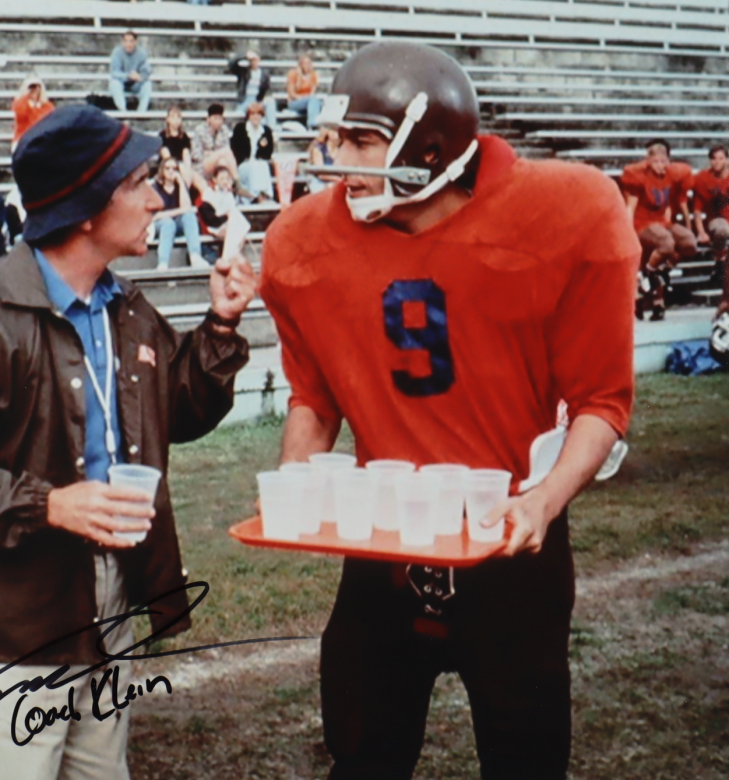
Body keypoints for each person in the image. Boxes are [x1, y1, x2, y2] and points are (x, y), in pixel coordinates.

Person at [260, 41, 639, 780]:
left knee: (525, 762)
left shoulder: (561, 211)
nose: (337, 159)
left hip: (510, 546)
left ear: (429, 151)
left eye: (361, 141)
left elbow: (601, 403)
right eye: (336, 137)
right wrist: (293, 486)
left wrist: (544, 500)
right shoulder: (303, 238)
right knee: (361, 756)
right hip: (384, 544)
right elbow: (316, 396)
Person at [0, 103, 255, 779]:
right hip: (4, 624)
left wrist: (221, 326)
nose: (157, 199)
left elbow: (174, 410)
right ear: (87, 207)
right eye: (139, 183)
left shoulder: (124, 307)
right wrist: (49, 505)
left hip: (105, 598)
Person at [621, 138, 696, 321]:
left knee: (689, 242)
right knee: (666, 243)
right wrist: (627, 232)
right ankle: (650, 277)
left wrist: (680, 222)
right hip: (642, 223)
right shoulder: (639, 176)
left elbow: (671, 200)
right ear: (648, 162)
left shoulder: (673, 174)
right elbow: (630, 206)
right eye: (655, 162)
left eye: (663, 161)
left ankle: (658, 273)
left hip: (661, 222)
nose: (660, 165)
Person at [153, 156, 205, 269]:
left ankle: (195, 256)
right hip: (160, 224)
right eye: (167, 168)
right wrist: (178, 211)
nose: (171, 171)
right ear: (162, 170)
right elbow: (155, 215)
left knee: (189, 216)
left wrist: (181, 182)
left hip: (177, 223)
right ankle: (163, 262)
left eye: (174, 168)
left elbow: (186, 208)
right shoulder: (155, 187)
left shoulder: (179, 185)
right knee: (168, 223)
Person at [692, 145, 729, 272]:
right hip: (717, 219)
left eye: (721, 158)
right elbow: (697, 209)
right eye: (714, 158)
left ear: (727, 160)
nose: (717, 162)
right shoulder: (703, 178)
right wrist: (701, 232)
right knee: (722, 230)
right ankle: (719, 261)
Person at [230, 101, 275, 203]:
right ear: (248, 116)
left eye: (258, 114)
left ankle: (264, 195)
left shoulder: (266, 131)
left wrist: (261, 147)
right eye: (253, 114)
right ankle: (256, 196)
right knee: (254, 166)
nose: (255, 117)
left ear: (262, 116)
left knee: (262, 165)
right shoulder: (240, 129)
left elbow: (268, 153)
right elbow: (235, 150)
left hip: (259, 165)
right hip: (243, 166)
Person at [197, 165, 240, 263]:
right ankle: (227, 259)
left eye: (227, 178)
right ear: (215, 180)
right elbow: (210, 219)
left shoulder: (229, 194)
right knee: (230, 231)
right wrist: (226, 217)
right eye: (222, 179)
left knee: (239, 229)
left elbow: (232, 211)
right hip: (213, 225)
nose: (225, 181)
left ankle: (233, 257)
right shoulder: (208, 194)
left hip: (227, 223)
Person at [228, 49, 276, 129]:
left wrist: (261, 101)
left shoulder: (264, 74)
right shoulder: (243, 72)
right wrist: (244, 55)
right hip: (245, 101)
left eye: (256, 60)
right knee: (238, 117)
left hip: (258, 100)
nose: (254, 62)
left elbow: (268, 90)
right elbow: (231, 64)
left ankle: (272, 128)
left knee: (270, 101)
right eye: (252, 60)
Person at [191, 103, 237, 181]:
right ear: (208, 119)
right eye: (215, 118)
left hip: (218, 162)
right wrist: (214, 155)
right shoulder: (200, 130)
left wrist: (212, 154)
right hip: (201, 166)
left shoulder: (224, 130)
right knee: (225, 152)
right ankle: (237, 181)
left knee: (223, 162)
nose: (218, 121)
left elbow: (227, 154)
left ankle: (226, 184)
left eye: (220, 118)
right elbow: (195, 155)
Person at [109, 30, 152, 112]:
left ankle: (141, 113)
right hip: (122, 83)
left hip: (136, 83)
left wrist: (140, 77)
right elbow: (114, 73)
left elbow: (146, 71)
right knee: (114, 83)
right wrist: (128, 76)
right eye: (125, 41)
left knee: (147, 85)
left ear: (136, 42)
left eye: (131, 41)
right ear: (122, 42)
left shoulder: (142, 53)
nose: (128, 44)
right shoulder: (117, 52)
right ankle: (123, 112)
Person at [11, 73, 54, 148]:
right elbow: (21, 115)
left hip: (40, 140)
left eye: (37, 86)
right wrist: (26, 96)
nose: (34, 89)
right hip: (23, 139)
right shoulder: (20, 103)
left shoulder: (48, 106)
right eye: (31, 86)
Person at [286, 54, 322, 130]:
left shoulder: (314, 75)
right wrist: (299, 77)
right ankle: (312, 124)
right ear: (300, 64)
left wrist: (307, 98)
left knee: (318, 102)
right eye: (305, 63)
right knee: (313, 100)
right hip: (295, 101)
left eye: (309, 63)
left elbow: (312, 93)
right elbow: (291, 94)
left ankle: (315, 124)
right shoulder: (293, 74)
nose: (307, 65)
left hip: (308, 101)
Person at [307, 126, 339, 194]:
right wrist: (338, 179)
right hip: (320, 182)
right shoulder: (319, 148)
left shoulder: (342, 149)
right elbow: (321, 174)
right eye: (334, 131)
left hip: (338, 181)